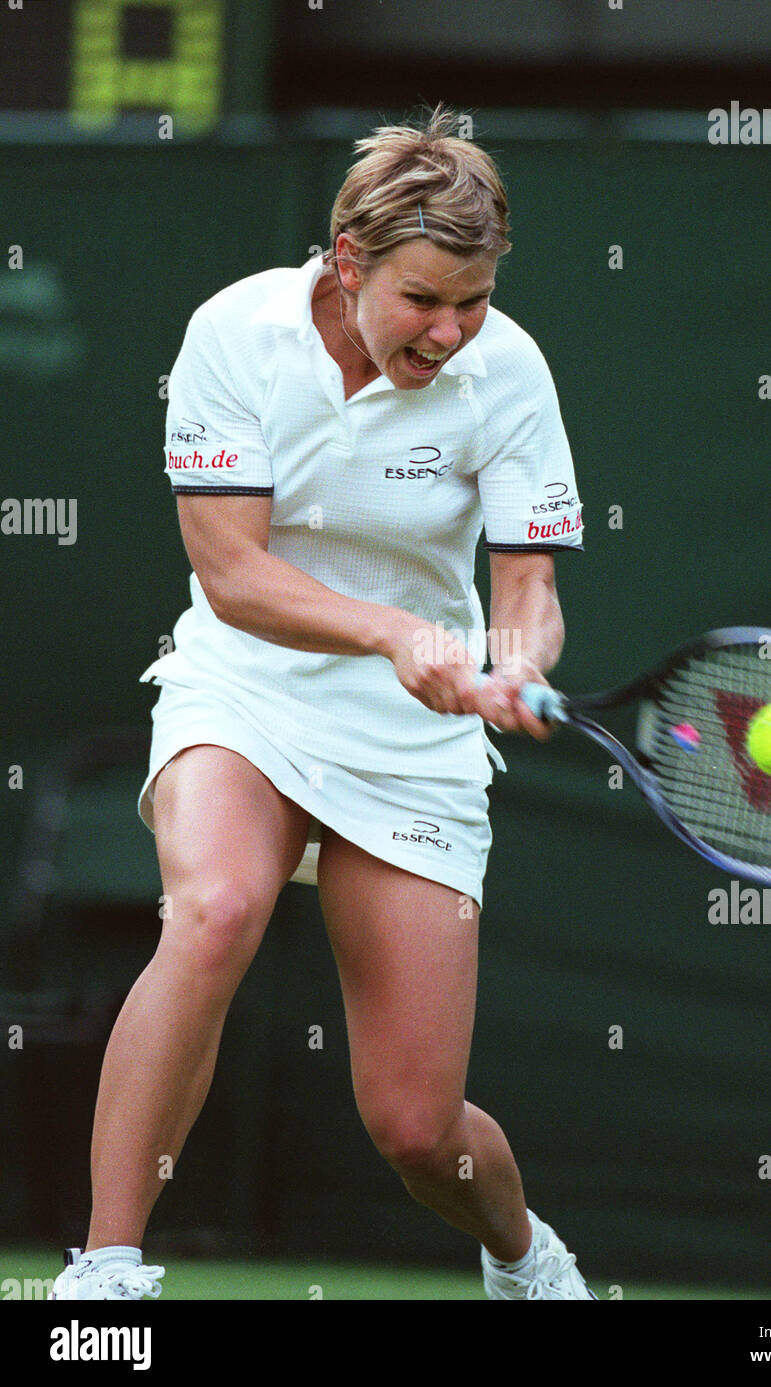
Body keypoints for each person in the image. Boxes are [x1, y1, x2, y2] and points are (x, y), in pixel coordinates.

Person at [50, 104, 591, 1301]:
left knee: (415, 1126)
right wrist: (396, 631)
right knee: (214, 909)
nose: (448, 330)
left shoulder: (507, 369)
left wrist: (513, 661)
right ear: (348, 262)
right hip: (244, 689)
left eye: (473, 300)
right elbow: (231, 575)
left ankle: (526, 1260)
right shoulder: (234, 332)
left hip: (412, 744)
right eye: (421, 299)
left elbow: (527, 590)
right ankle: (106, 1274)